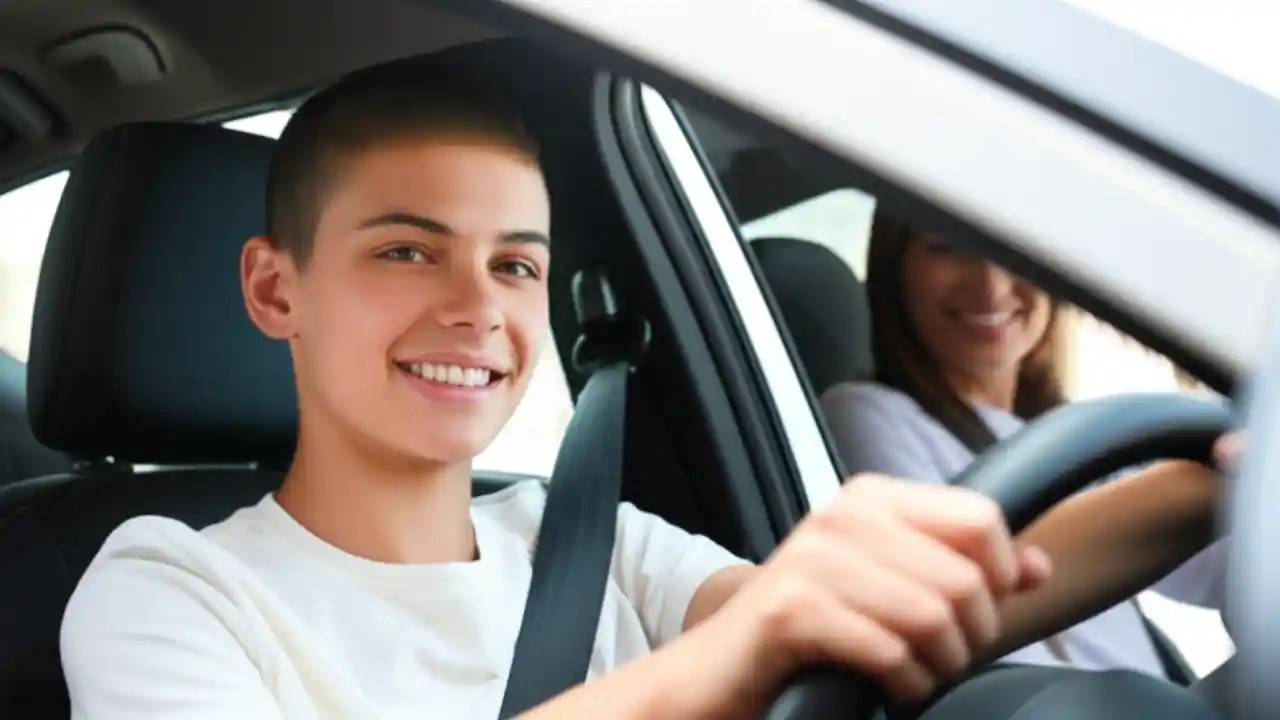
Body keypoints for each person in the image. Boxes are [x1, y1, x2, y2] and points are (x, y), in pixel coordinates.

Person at [60, 59, 1225, 719]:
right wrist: (741, 646)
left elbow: (875, 614)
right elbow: (758, 635)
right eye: (406, 250)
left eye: (517, 263)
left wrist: (1211, 479)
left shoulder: (588, 542)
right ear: (275, 290)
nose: (479, 307)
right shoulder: (167, 587)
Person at [821, 213, 1231, 677]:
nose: (991, 285)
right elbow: (938, 611)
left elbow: (1224, 570)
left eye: (1014, 247)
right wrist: (1198, 490)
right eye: (949, 246)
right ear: (896, 271)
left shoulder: (1065, 433)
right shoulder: (867, 412)